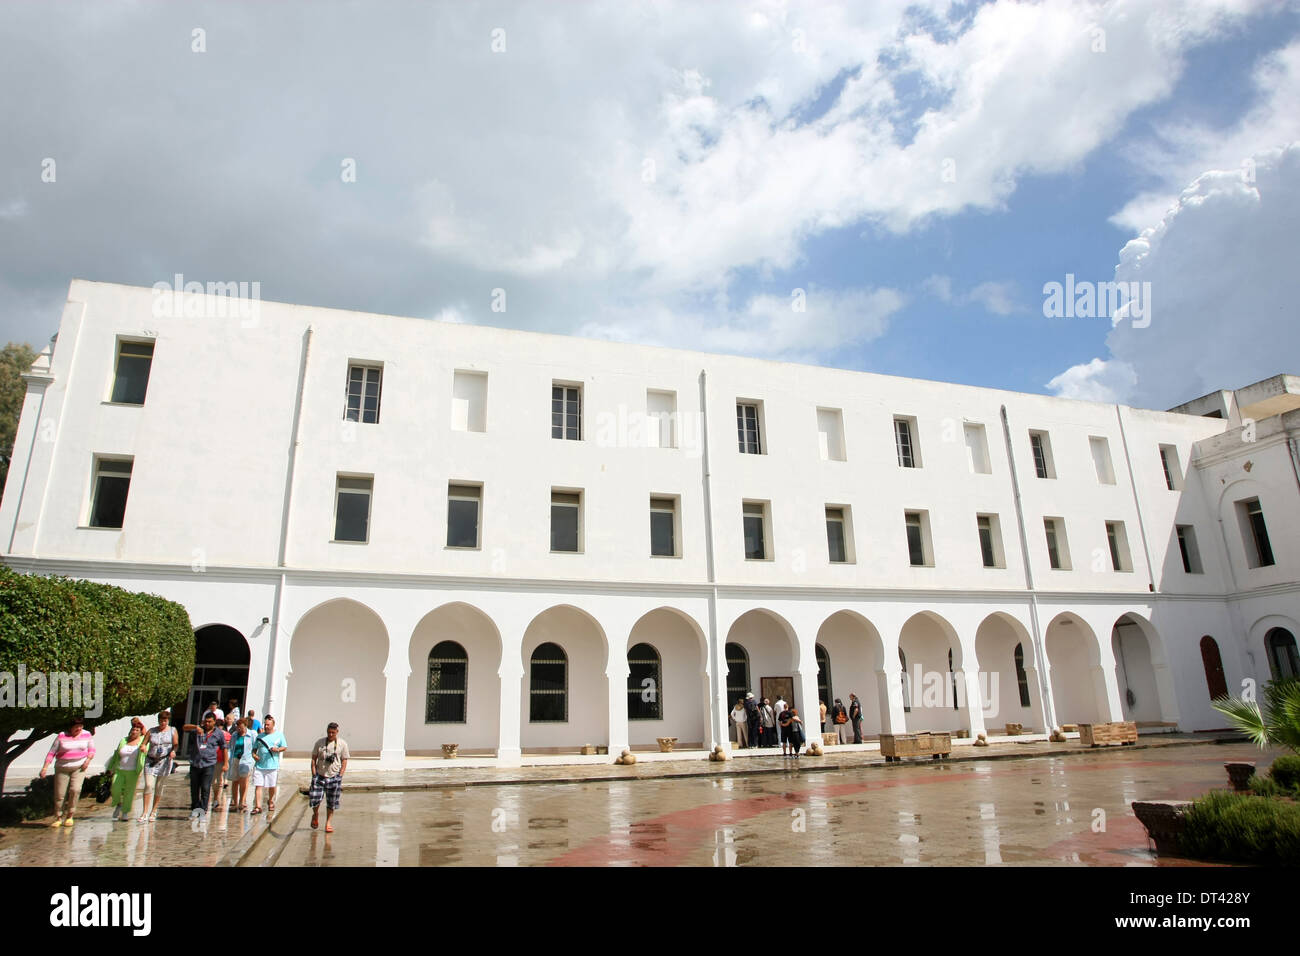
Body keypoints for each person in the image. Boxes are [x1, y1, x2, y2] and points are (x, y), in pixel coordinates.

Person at [41, 716, 95, 828]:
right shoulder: (62, 736)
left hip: (79, 767)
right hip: (62, 767)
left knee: (75, 790)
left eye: (81, 726)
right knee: (60, 794)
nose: (79, 729)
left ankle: (70, 815)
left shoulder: (87, 735)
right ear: (71, 727)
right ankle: (58, 817)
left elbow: (92, 750)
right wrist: (45, 767)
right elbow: (52, 752)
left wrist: (88, 761)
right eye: (76, 727)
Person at [137, 709, 178, 822]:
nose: (162, 723)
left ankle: (153, 811)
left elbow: (175, 744)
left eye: (165, 720)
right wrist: (143, 747)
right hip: (151, 761)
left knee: (159, 787)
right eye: (161, 720)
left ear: (168, 721)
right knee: (149, 785)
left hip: (164, 761)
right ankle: (144, 812)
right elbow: (144, 743)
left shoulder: (172, 731)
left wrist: (173, 751)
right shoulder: (152, 731)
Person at [184, 712, 227, 818]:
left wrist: (226, 763)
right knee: (194, 788)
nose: (207, 723)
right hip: (195, 763)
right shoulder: (197, 730)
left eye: (210, 721)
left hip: (209, 763)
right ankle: (195, 809)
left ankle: (203, 810)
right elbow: (184, 727)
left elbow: (224, 747)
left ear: (214, 722)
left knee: (205, 787)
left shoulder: (218, 733)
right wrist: (196, 727)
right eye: (206, 721)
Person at [309, 722, 349, 832]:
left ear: (337, 732)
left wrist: (340, 775)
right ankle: (315, 814)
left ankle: (328, 822)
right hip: (320, 775)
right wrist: (314, 773)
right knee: (315, 799)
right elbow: (314, 758)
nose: (330, 735)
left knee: (332, 801)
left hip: (334, 776)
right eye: (329, 732)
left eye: (333, 733)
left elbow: (344, 760)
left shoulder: (342, 744)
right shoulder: (320, 742)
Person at [107, 718, 148, 821]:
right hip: (120, 769)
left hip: (133, 771)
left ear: (140, 732)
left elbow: (146, 744)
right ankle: (118, 804)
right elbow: (116, 754)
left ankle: (125, 812)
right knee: (115, 789)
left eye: (137, 730)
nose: (134, 732)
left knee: (129, 792)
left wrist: (144, 749)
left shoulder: (142, 742)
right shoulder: (123, 740)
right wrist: (110, 768)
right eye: (133, 729)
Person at [251, 715, 287, 815]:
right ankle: (258, 806)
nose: (266, 726)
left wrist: (277, 749)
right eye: (265, 724)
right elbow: (254, 749)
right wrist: (254, 755)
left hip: (272, 765)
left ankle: (271, 801)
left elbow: (284, 747)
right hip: (260, 765)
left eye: (268, 725)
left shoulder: (279, 735)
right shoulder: (259, 736)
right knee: (258, 785)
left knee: (272, 786)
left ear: (273, 725)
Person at [226, 717, 257, 812]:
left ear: (245, 726)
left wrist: (254, 758)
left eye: (241, 727)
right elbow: (231, 747)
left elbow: (255, 747)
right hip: (235, 758)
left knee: (244, 780)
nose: (239, 729)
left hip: (246, 760)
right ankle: (235, 802)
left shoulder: (252, 734)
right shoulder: (235, 735)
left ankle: (242, 801)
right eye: (238, 727)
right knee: (235, 780)